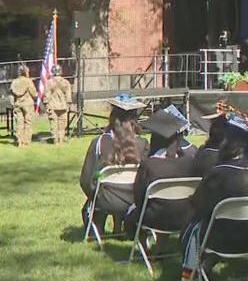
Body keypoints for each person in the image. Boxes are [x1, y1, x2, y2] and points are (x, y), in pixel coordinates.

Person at [179, 114, 248, 281]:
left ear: (229, 143)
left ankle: (190, 278)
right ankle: (206, 267)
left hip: (222, 239)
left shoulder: (219, 174)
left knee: (194, 226)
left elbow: (197, 204)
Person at [79, 94, 148, 235]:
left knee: (98, 186)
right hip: (134, 200)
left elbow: (86, 180)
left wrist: (95, 194)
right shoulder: (143, 144)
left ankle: (97, 228)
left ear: (112, 117)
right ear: (135, 120)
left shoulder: (99, 143)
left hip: (106, 200)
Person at [123, 110, 198, 239]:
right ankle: (160, 247)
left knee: (134, 213)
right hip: (185, 217)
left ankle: (146, 249)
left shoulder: (149, 165)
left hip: (156, 219)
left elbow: (139, 198)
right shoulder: (189, 163)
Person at [9, 64, 36, 147]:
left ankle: (19, 141)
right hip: (28, 104)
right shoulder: (28, 81)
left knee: (19, 123)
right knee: (28, 122)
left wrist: (13, 104)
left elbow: (11, 94)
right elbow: (34, 93)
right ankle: (26, 141)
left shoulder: (14, 82)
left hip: (18, 104)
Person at [45, 65, 72, 144]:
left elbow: (47, 95)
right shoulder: (66, 82)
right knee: (62, 124)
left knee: (53, 124)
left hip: (52, 106)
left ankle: (55, 140)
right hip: (63, 106)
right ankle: (61, 139)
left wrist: (47, 105)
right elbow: (68, 96)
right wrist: (68, 105)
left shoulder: (49, 82)